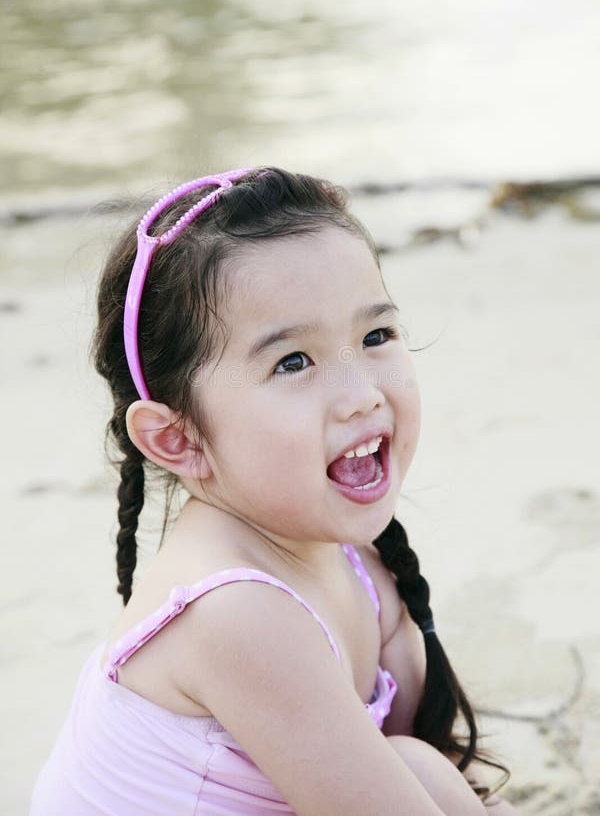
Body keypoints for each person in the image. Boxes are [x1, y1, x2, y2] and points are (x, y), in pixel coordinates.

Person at [31, 167, 517, 815]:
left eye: (376, 337)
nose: (362, 394)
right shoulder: (236, 614)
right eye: (293, 362)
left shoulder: (359, 557)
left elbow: (433, 766)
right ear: (179, 440)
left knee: (422, 768)